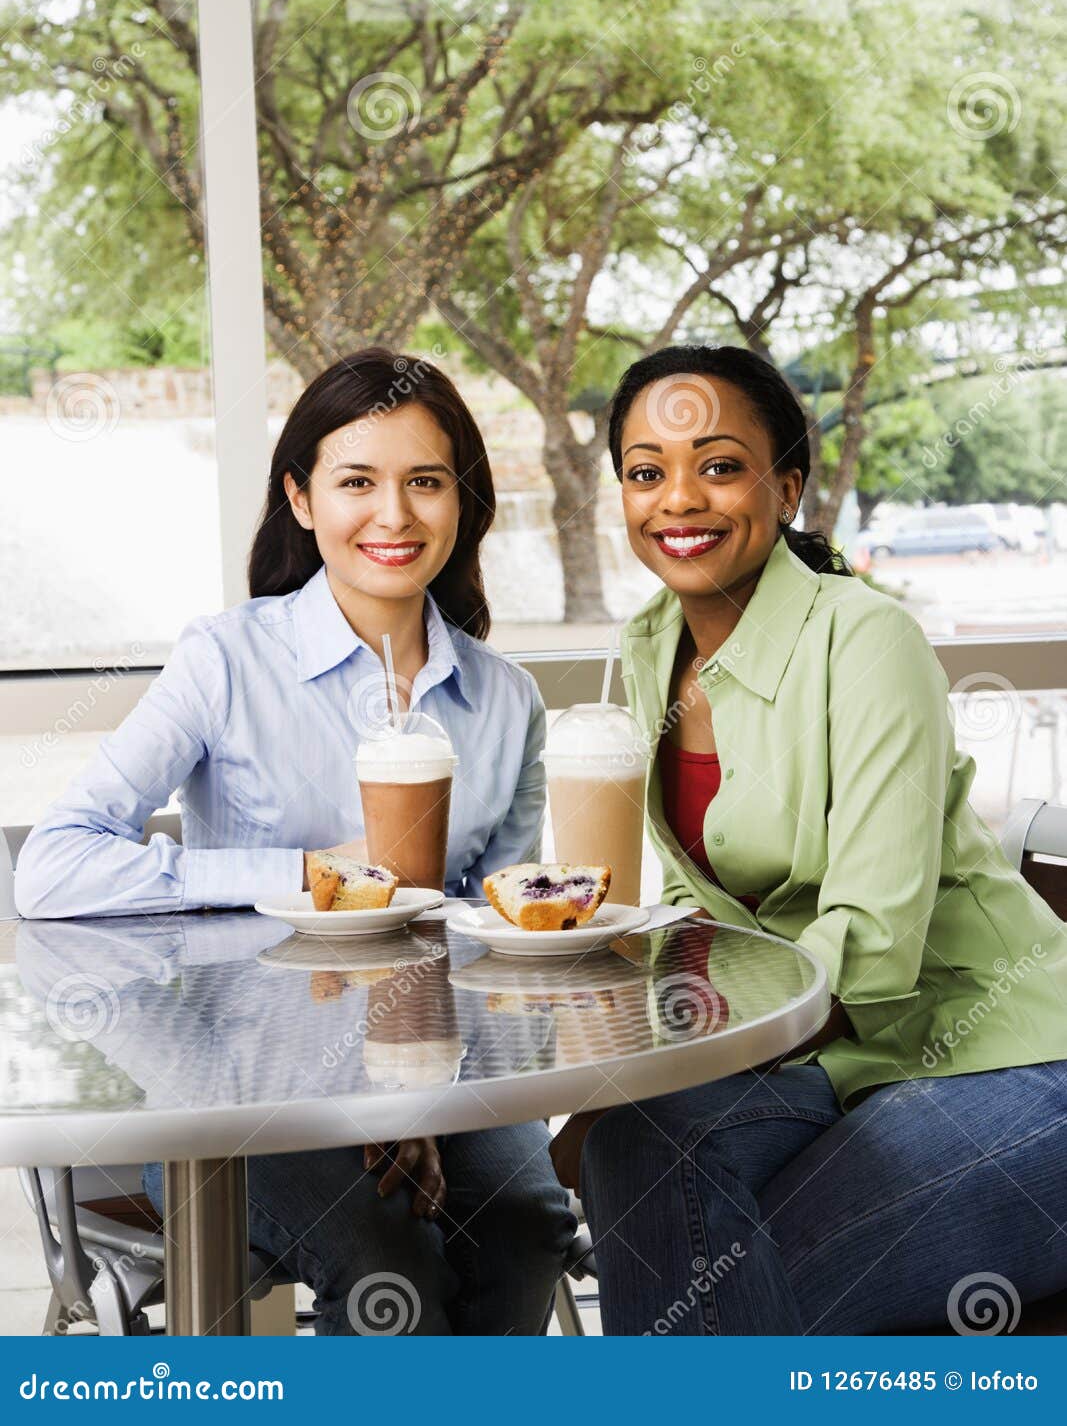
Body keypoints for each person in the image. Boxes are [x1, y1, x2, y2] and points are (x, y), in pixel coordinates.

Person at [16, 347, 575, 1335]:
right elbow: (53, 864)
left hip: (437, 1074)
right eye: (356, 481)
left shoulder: (504, 699)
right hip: (237, 1093)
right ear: (301, 498)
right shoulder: (225, 659)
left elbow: (491, 946)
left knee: (529, 1218)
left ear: (464, 501)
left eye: (425, 482)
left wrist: (419, 1103)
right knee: (387, 1248)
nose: (392, 515)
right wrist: (305, 879)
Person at [551, 343, 1067, 1336]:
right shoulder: (648, 644)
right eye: (645, 471)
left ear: (785, 485)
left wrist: (678, 1050)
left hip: (1003, 1057)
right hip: (835, 1063)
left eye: (718, 464)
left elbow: (868, 942)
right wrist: (611, 1084)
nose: (678, 499)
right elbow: (705, 914)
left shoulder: (865, 638)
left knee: (736, 1288)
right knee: (632, 1145)